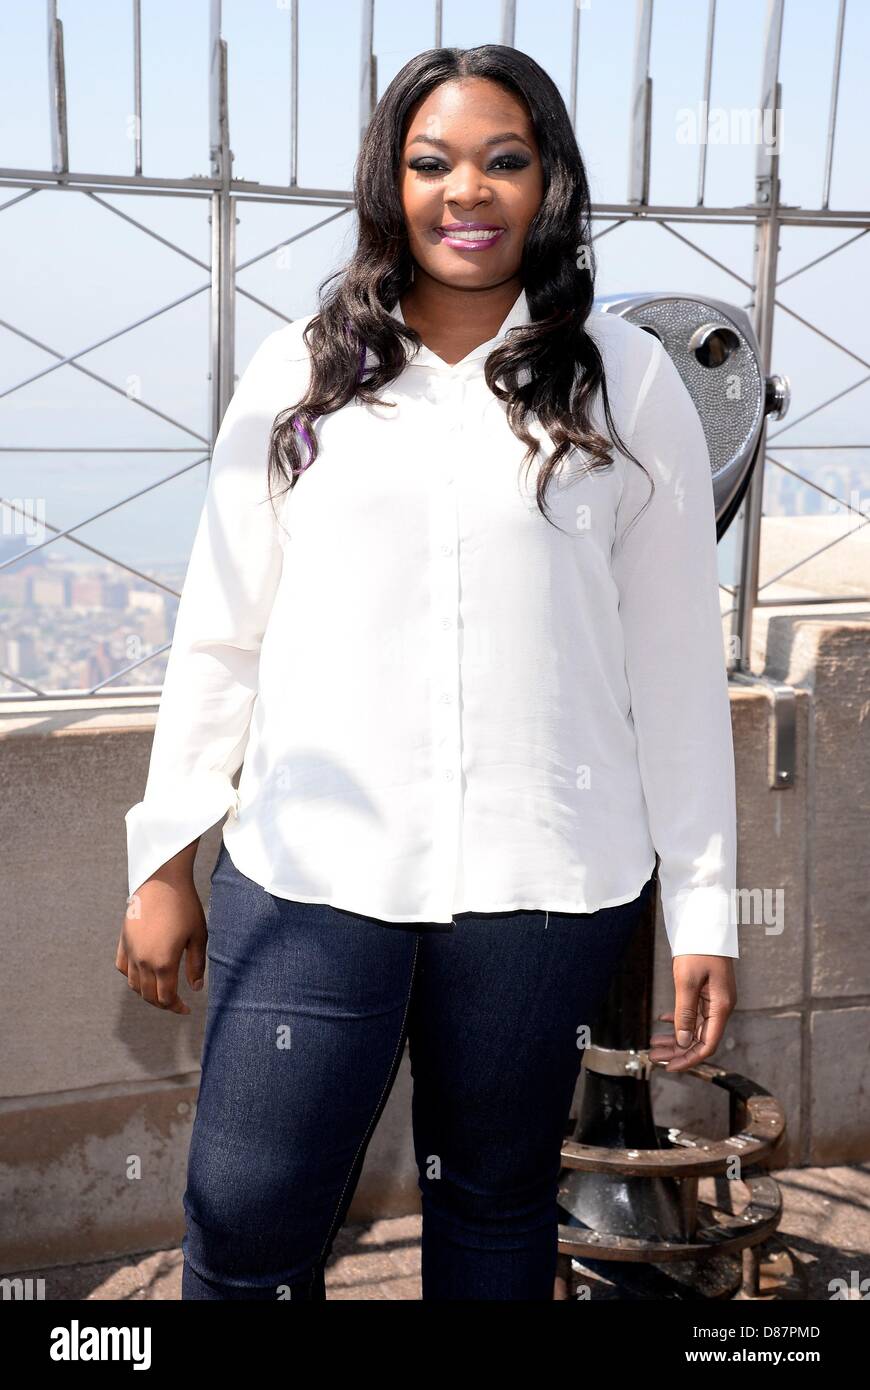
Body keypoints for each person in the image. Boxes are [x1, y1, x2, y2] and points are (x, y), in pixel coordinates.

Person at [116, 44, 738, 1301]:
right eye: (433, 161)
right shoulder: (304, 370)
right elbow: (223, 628)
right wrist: (164, 854)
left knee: (496, 1204)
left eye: (505, 161)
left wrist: (710, 910)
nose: (469, 190)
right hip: (311, 875)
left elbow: (676, 667)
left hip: (547, 882)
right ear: (390, 183)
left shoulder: (630, 381)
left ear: (549, 183)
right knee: (245, 1219)